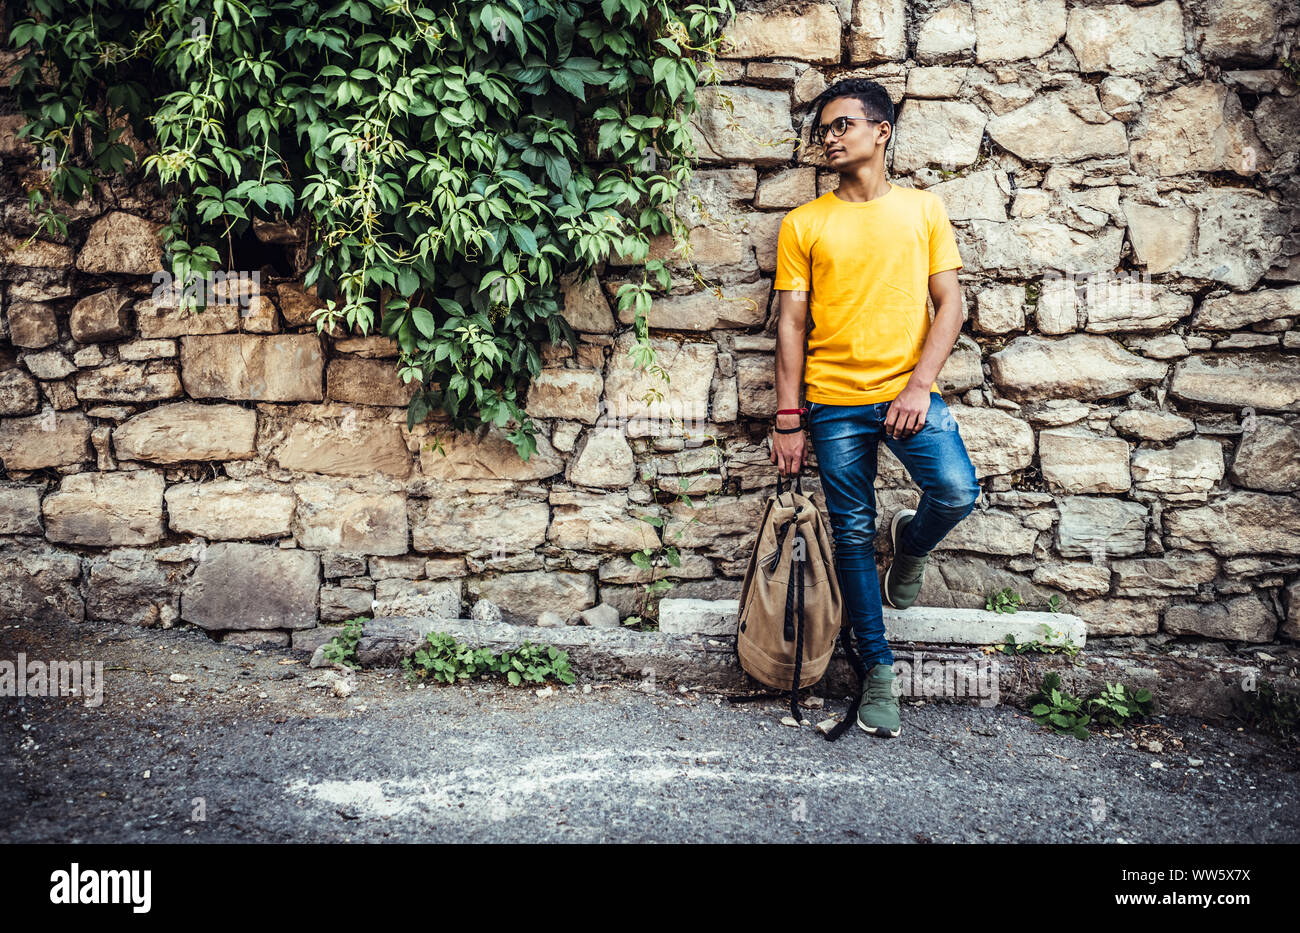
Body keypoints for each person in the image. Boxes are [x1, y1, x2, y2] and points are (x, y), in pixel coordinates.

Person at [769, 78, 981, 739]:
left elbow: (951, 304)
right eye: (823, 130)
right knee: (852, 533)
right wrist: (786, 417)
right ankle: (878, 670)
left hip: (908, 389)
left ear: (880, 130)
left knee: (955, 489)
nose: (829, 138)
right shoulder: (805, 223)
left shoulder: (923, 210)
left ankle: (912, 544)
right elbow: (791, 324)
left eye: (842, 125)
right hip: (832, 401)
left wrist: (919, 386)